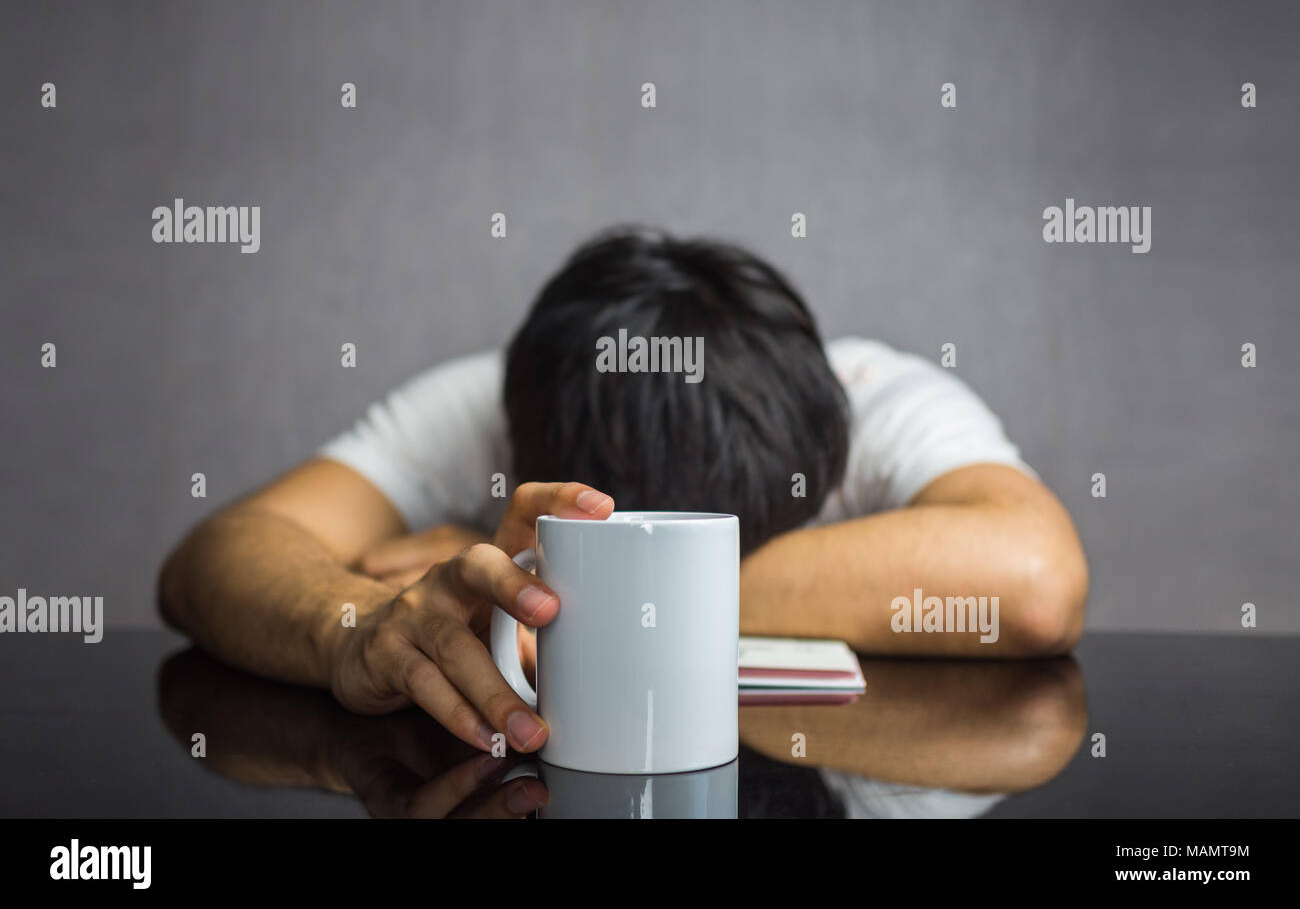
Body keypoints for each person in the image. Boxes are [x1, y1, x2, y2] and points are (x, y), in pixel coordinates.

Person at [158, 225, 1088, 758]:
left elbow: (1037, 582)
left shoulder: (875, 398)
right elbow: (213, 559)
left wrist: (593, 595)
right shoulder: (493, 400)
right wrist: (362, 627)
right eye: (625, 528)